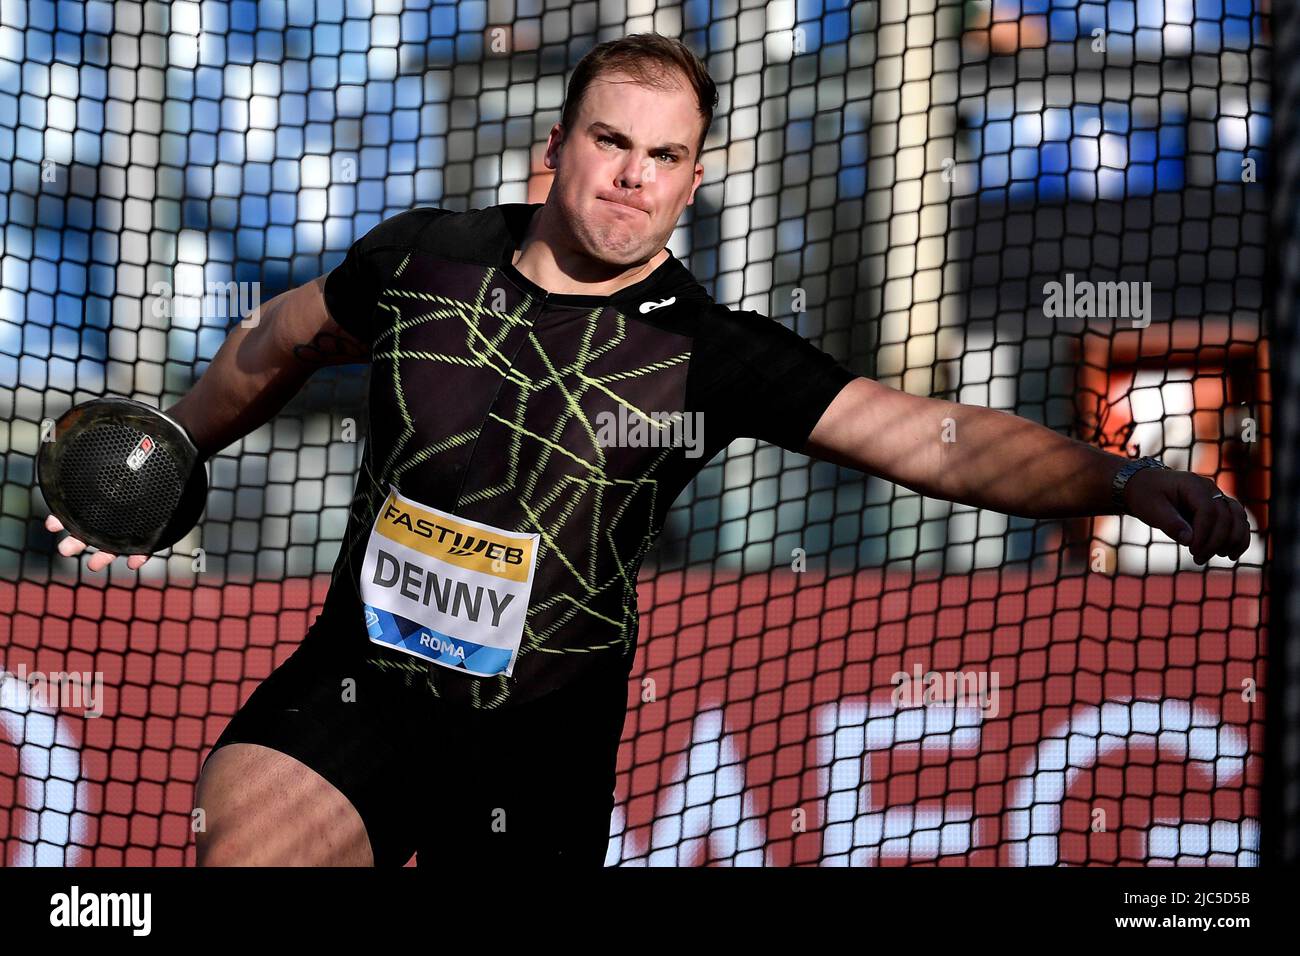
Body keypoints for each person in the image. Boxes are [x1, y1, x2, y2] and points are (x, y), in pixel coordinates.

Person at [44, 33, 1251, 867]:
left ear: (693, 183)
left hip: (536, 744)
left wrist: (1123, 474)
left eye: (663, 157)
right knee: (242, 840)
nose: (631, 176)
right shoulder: (426, 258)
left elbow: (931, 437)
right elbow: (282, 335)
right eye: (611, 141)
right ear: (557, 145)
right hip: (360, 686)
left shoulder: (710, 352)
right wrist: (160, 456)